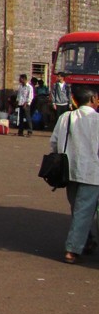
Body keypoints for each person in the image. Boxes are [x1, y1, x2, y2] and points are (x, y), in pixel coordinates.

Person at [49, 83, 99, 263]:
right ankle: (72, 249)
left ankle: (86, 240)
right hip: (92, 173)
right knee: (83, 210)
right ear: (93, 99)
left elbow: (54, 143)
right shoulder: (97, 120)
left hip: (68, 171)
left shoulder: (66, 117)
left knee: (78, 208)